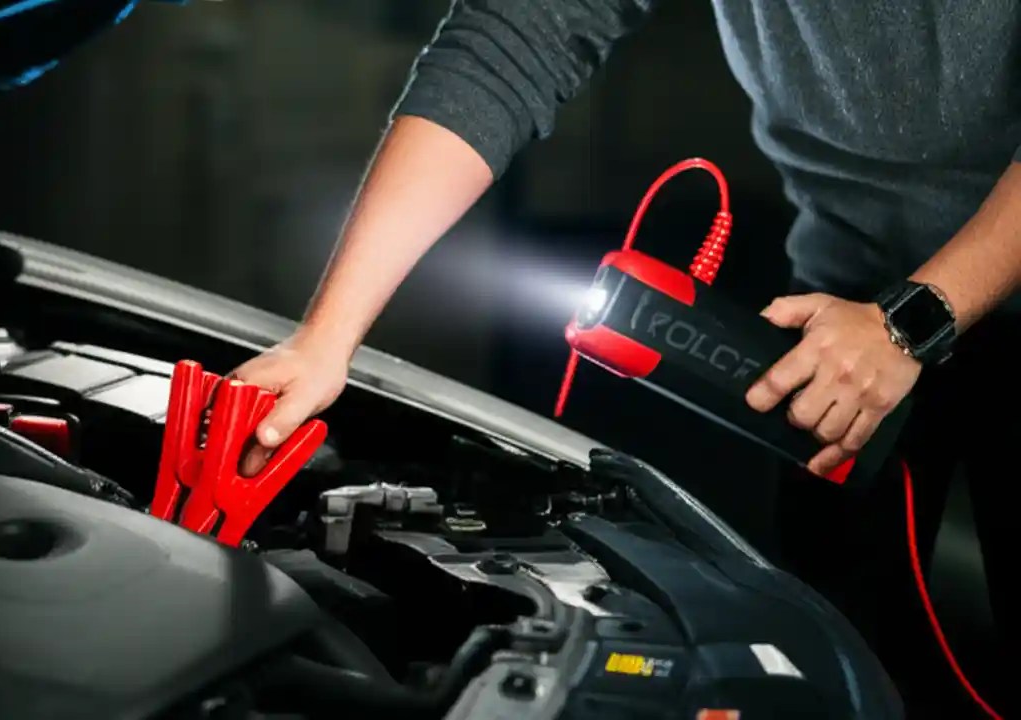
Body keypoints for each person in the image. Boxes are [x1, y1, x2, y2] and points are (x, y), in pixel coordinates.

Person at [233, 2, 1019, 714]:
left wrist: (913, 320)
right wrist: (326, 339)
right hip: (838, 314)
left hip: (944, 299)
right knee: (852, 663)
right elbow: (507, 42)